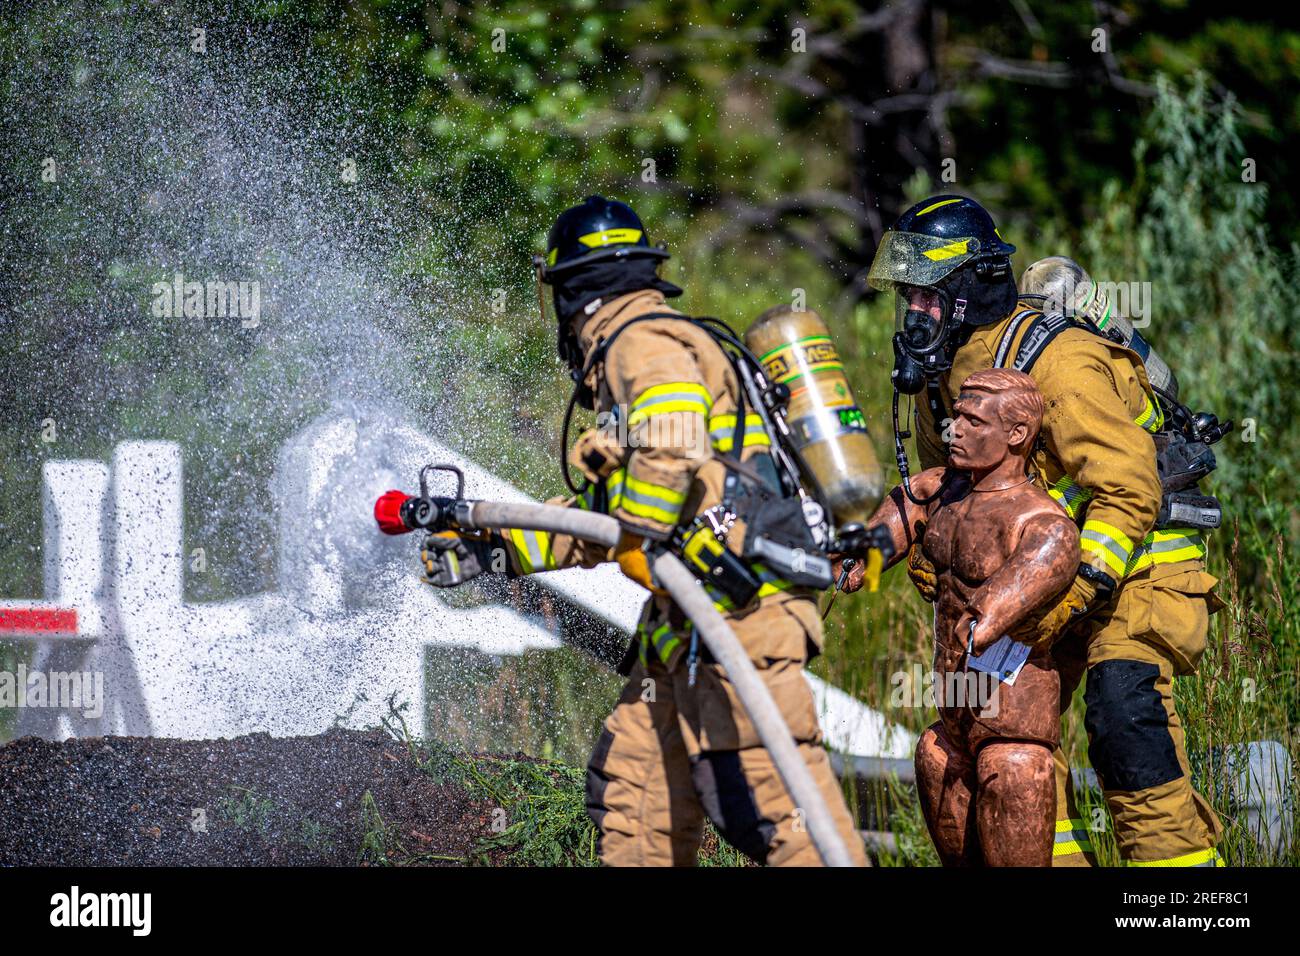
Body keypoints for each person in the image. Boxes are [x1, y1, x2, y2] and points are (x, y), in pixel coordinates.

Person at [376, 196, 867, 866]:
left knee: (778, 815)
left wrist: (640, 526)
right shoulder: (640, 349)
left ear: (575, 293)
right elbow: (602, 518)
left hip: (742, 620)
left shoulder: (641, 341)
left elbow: (669, 443)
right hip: (683, 634)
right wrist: (493, 551)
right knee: (633, 798)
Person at [856, 194, 1224, 867]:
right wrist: (932, 553)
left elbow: (1128, 487)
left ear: (969, 290)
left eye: (927, 298)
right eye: (906, 299)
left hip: (1136, 569)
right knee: (1006, 750)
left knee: (1124, 723)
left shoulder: (1061, 362)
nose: (914, 316)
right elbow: (953, 490)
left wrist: (1083, 583)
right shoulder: (941, 382)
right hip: (1033, 582)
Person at [843, 368, 1078, 865]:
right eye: (956, 419)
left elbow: (1031, 574)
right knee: (932, 751)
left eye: (974, 423)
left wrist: (986, 612)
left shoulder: (1038, 519)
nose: (955, 431)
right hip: (953, 724)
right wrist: (849, 559)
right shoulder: (938, 492)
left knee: (1013, 771)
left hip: (1012, 728)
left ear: (1017, 435)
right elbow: (871, 544)